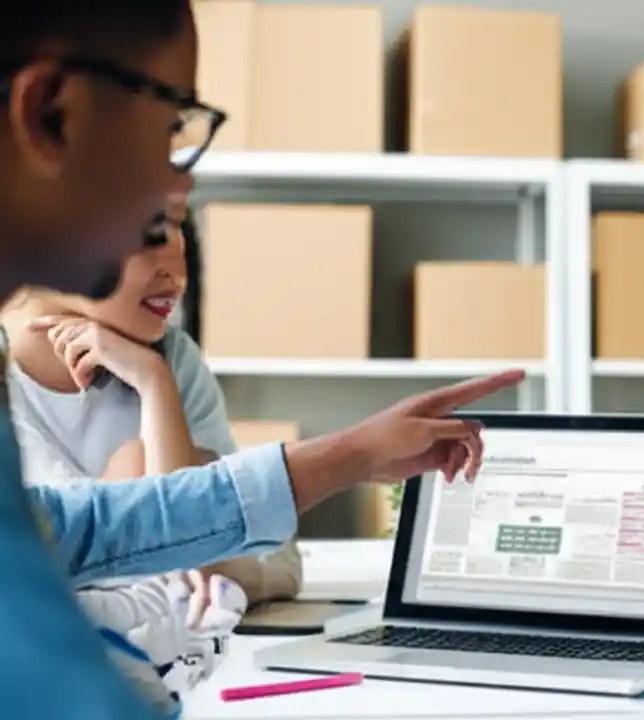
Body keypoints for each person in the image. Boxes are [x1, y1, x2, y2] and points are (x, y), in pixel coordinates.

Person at [0, 3, 522, 717]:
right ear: (51, 114)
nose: (179, 179)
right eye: (167, 129)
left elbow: (89, 529)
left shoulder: (163, 360)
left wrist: (355, 453)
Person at [1, 199, 302, 706]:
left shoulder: (171, 359)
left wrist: (153, 381)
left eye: (181, 237)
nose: (177, 275)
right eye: (152, 237)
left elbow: (209, 538)